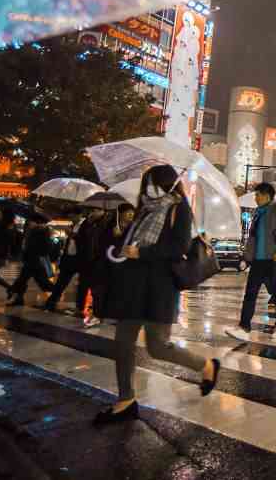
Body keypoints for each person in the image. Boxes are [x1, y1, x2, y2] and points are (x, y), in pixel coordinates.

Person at [97, 165, 218, 425]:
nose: (149, 188)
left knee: (158, 347)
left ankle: (206, 366)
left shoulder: (179, 209)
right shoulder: (143, 210)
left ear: (167, 184)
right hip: (133, 286)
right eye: (147, 183)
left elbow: (179, 248)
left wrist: (141, 253)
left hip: (160, 288)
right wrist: (121, 242)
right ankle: (126, 399)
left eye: (154, 183)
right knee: (123, 342)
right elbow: (130, 245)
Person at [225, 182, 276, 342]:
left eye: (258, 195)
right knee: (250, 294)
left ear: (267, 195)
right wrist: (247, 259)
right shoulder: (258, 213)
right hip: (258, 262)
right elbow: (252, 238)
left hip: (274, 261)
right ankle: (244, 327)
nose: (255, 198)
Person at [86, 204, 136, 329]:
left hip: (123, 266)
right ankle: (98, 314)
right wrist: (114, 236)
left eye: (132, 213)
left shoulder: (133, 229)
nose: (131, 215)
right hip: (105, 265)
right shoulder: (108, 226)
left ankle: (116, 315)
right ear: (121, 213)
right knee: (101, 290)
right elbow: (102, 244)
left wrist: (122, 236)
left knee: (119, 291)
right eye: (128, 213)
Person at [42, 207, 86, 312]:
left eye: (73, 216)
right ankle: (51, 302)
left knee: (82, 285)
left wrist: (72, 235)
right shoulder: (72, 225)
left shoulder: (85, 225)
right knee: (61, 282)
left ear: (79, 215)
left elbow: (85, 240)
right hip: (69, 258)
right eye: (70, 217)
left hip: (80, 258)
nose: (71, 218)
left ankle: (79, 307)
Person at [8, 217, 54, 306]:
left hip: (35, 260)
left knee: (41, 282)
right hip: (30, 259)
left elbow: (43, 247)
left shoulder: (40, 231)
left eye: (29, 222)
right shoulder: (31, 231)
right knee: (25, 280)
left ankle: (56, 293)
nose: (28, 224)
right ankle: (18, 298)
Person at [0, 208, 16, 291]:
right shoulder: (11, 228)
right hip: (2, 256)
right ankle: (10, 288)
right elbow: (12, 243)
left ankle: (10, 288)